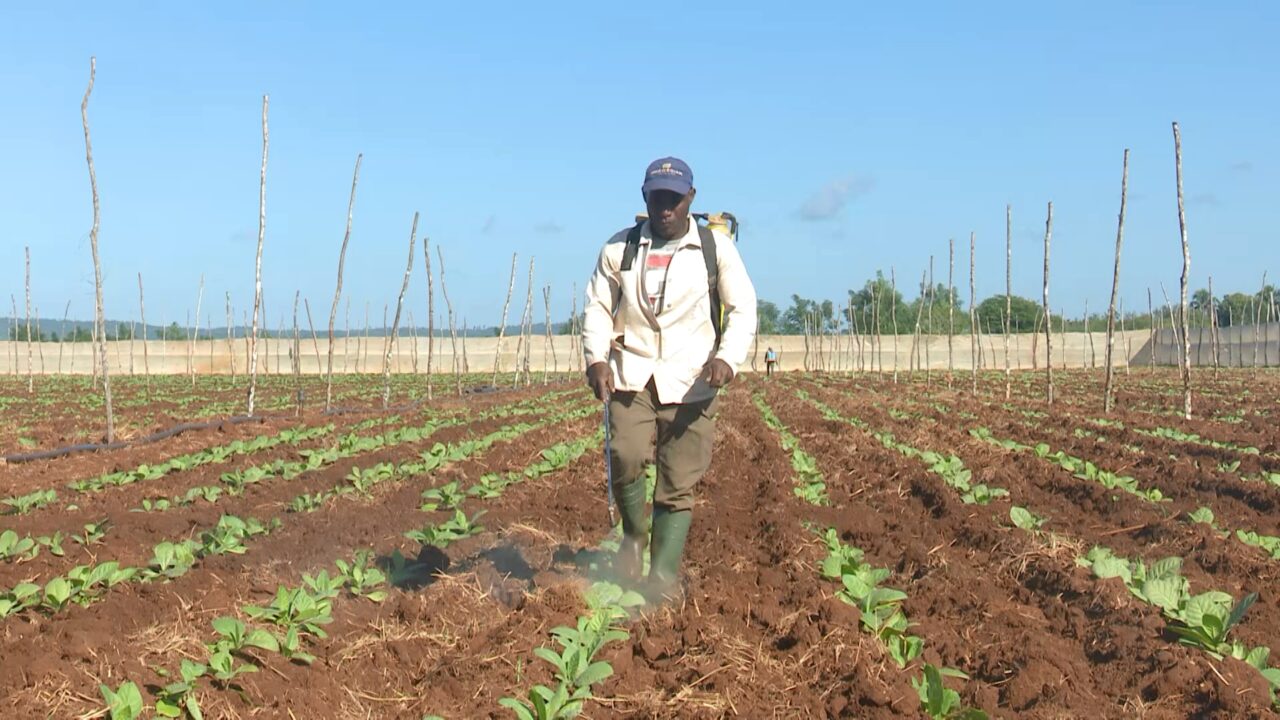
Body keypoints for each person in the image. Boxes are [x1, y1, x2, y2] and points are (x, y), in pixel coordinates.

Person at [582, 157, 758, 602]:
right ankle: (634, 535)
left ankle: (660, 580)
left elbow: (742, 309)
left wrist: (727, 359)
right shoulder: (617, 249)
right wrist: (595, 359)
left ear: (690, 200)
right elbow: (599, 308)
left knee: (678, 481)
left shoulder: (716, 249)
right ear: (645, 198)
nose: (666, 207)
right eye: (657, 197)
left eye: (674, 199)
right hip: (633, 372)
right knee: (625, 454)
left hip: (693, 378)